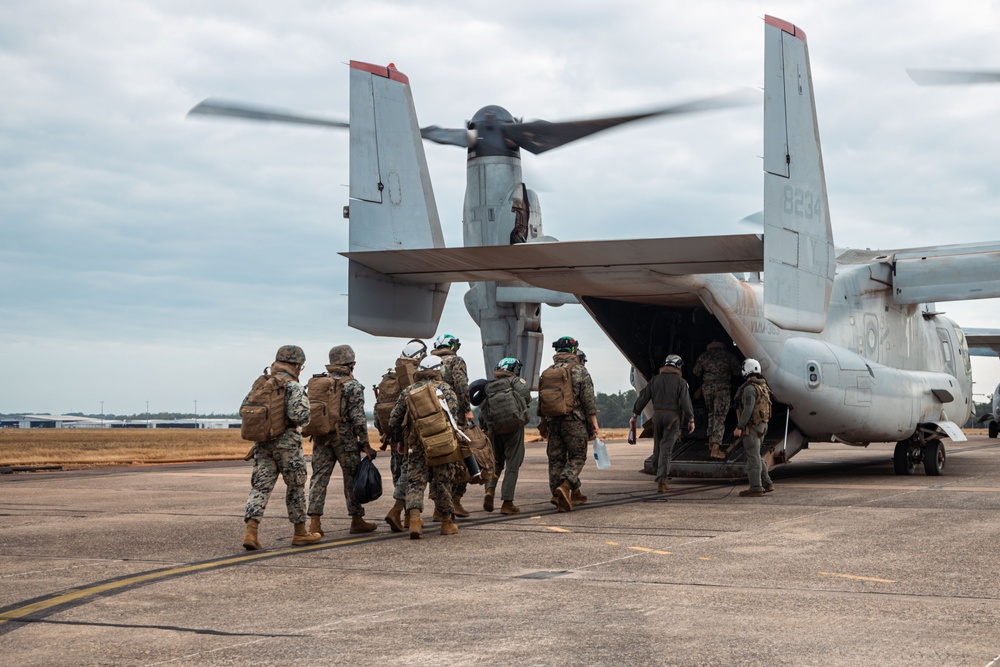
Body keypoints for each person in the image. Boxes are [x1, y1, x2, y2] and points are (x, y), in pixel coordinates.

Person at [242, 345, 321, 550]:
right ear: (296, 364)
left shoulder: (263, 383)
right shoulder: (293, 386)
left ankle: (251, 532)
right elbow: (300, 417)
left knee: (260, 487)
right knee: (295, 488)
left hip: (263, 444)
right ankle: (300, 532)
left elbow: (244, 408)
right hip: (288, 446)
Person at [387, 355, 463, 539]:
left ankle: (414, 520)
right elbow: (453, 416)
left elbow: (394, 419)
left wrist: (400, 441)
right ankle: (446, 522)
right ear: (439, 370)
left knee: (415, 482)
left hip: (416, 444)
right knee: (442, 481)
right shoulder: (445, 389)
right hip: (442, 444)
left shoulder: (409, 390)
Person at [306, 345, 378, 536]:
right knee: (352, 478)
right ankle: (356, 519)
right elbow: (358, 418)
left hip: (321, 437)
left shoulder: (320, 382)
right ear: (351, 363)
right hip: (344, 439)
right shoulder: (352, 385)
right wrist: (365, 444)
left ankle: (314, 523)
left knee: (319, 479)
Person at [538, 336, 600, 512]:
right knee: (577, 456)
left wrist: (543, 425)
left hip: (553, 422)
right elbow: (588, 400)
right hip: (574, 421)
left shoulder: (547, 372)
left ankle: (557, 494)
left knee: (556, 459)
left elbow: (542, 402)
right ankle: (565, 486)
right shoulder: (580, 370)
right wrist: (593, 422)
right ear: (573, 350)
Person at [376, 339, 427, 532]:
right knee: (411, 475)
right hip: (410, 437)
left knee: (398, 472)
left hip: (393, 434)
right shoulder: (412, 378)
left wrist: (392, 436)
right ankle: (399, 513)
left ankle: (405, 517)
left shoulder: (389, 377)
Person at [630, 354, 695, 494]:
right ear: (678, 366)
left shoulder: (655, 380)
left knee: (657, 447)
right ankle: (662, 481)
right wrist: (691, 419)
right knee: (666, 449)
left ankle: (658, 471)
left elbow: (643, 397)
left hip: (657, 416)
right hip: (672, 417)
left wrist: (635, 415)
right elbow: (685, 402)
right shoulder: (681, 382)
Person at [431, 334, 475, 518]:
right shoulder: (456, 361)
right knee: (461, 456)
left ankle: (438, 507)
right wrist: (466, 409)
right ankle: (454, 501)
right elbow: (462, 385)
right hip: (454, 416)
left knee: (437, 460)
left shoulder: (429, 361)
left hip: (433, 417)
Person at [481, 357, 532, 515]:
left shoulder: (489, 386)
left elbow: (483, 410)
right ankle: (507, 503)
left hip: (494, 430)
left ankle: (489, 490)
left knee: (495, 462)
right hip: (513, 429)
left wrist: (485, 429)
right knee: (512, 465)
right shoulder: (516, 381)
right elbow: (525, 394)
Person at [692, 339, 741, 459]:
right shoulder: (728, 355)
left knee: (711, 414)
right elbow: (738, 371)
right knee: (719, 417)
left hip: (707, 389)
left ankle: (710, 442)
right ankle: (716, 448)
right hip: (722, 389)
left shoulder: (704, 356)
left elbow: (696, 372)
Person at [733, 358, 774, 497]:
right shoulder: (763, 386)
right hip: (762, 425)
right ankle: (767, 482)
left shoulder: (750, 389)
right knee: (757, 455)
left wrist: (740, 426)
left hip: (752, 427)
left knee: (752, 458)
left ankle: (756, 487)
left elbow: (748, 410)